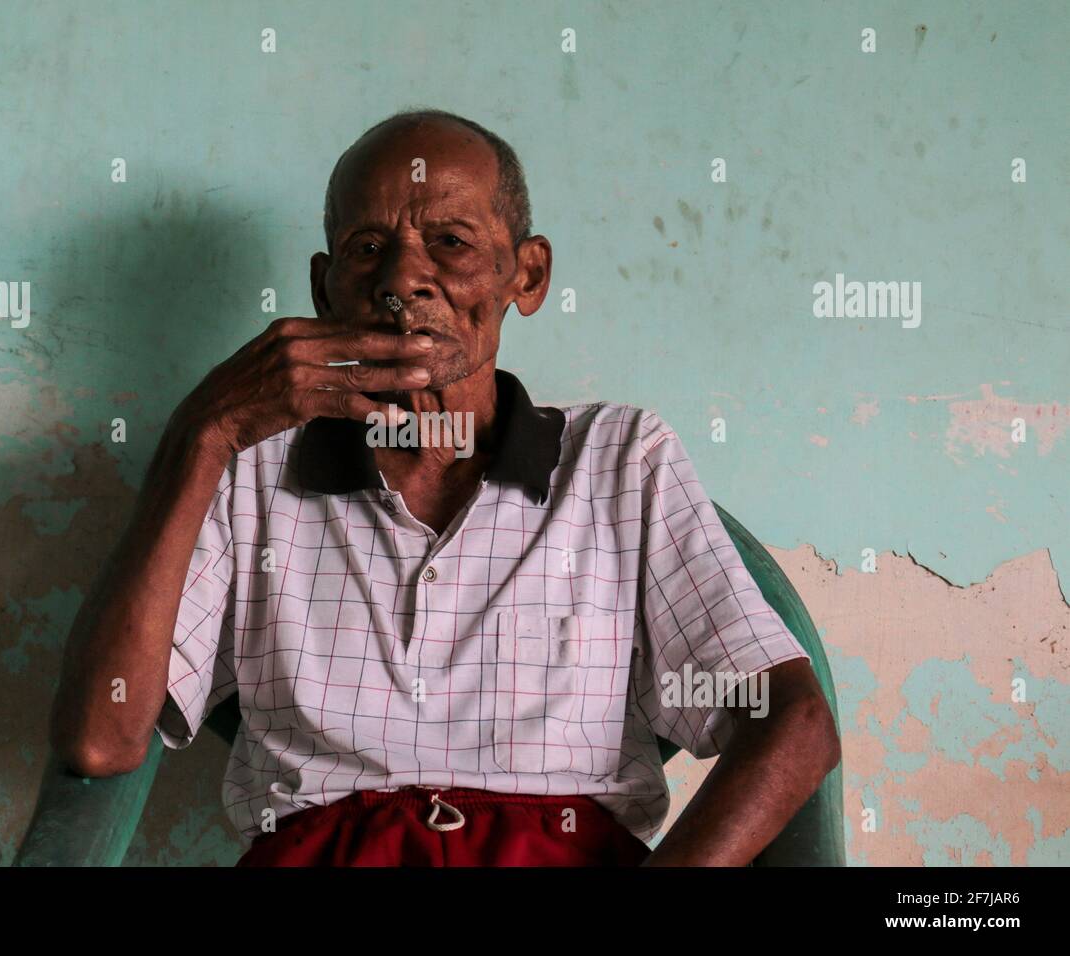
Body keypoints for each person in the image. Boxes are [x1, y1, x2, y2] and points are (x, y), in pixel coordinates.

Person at [49, 108, 841, 867]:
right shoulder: (251, 466)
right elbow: (100, 739)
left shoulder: (619, 461)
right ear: (326, 290)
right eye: (367, 248)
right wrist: (203, 430)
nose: (403, 279)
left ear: (526, 276)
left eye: (451, 242)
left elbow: (792, 723)